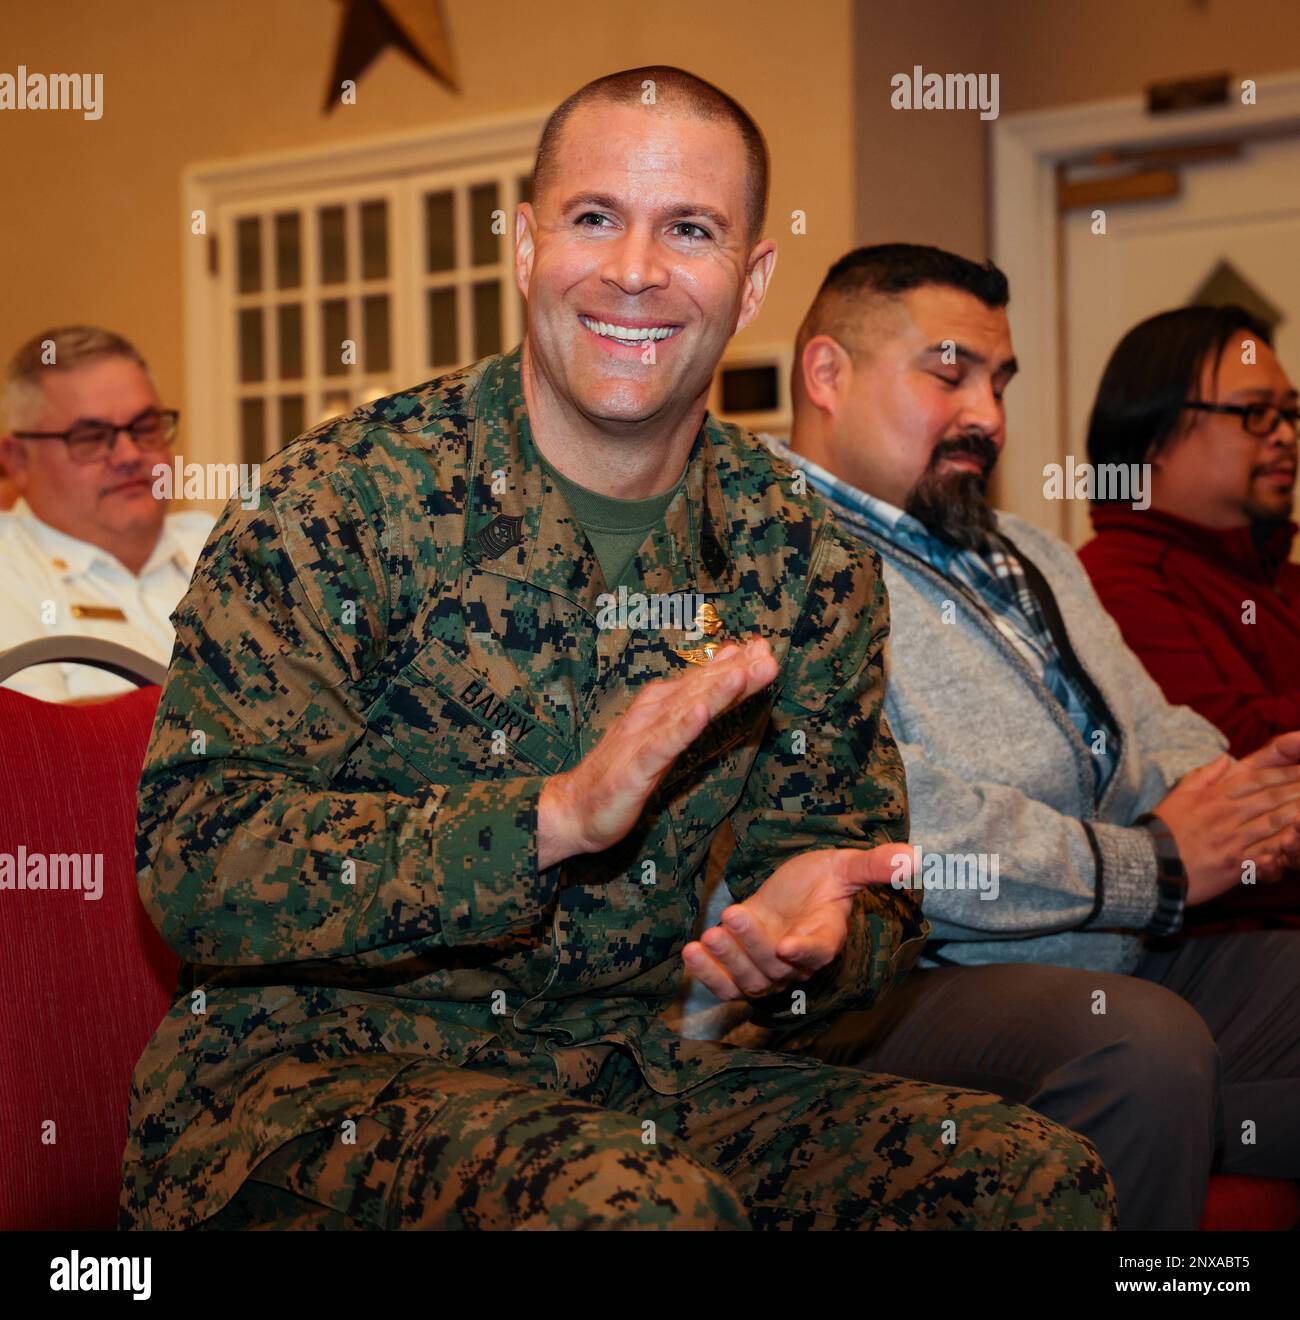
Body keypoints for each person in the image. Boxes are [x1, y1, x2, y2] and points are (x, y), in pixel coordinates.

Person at [119, 73, 1113, 1232]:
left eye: (687, 230)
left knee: (1022, 1182)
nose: (635, 269)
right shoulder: (340, 502)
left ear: (748, 285)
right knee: (639, 1210)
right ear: (527, 245)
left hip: (620, 1077)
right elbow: (195, 866)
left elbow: (844, 888)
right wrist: (546, 819)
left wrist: (815, 952)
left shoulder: (798, 555)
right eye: (594, 218)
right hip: (303, 1094)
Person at [682, 242, 1300, 1230]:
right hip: (892, 981)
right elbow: (895, 813)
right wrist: (1152, 864)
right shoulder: (755, 555)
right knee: (1136, 1050)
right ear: (827, 373)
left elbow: (1150, 723)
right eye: (948, 372)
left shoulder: (1030, 551)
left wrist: (1250, 806)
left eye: (998, 380)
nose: (988, 415)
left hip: (1108, 947)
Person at [1078, 306, 1300, 926]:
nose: (1284, 434)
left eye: (1290, 413)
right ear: (1154, 437)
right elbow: (1235, 751)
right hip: (1226, 936)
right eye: (1255, 414)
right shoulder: (1111, 580)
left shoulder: (1280, 575)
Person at [0, 326, 212, 701]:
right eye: (90, 438)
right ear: (17, 460)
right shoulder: (10, 568)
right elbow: (34, 741)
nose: (130, 456)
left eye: (144, 428)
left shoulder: (219, 544)